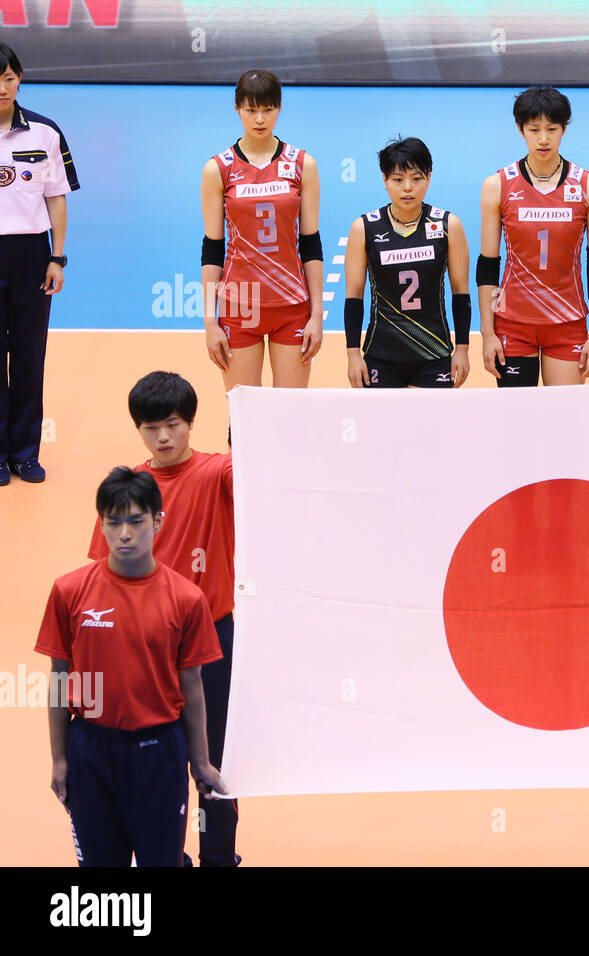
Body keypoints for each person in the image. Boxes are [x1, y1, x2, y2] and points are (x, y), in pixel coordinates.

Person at [85, 372, 239, 865]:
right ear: (139, 430)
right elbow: (101, 576)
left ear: (190, 423)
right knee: (159, 756)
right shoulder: (128, 492)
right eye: (151, 428)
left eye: (172, 424)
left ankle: (219, 856)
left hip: (211, 636)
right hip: (143, 645)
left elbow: (264, 473)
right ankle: (166, 857)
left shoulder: (219, 473)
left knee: (214, 756)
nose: (164, 437)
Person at [38, 467, 226, 866]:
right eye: (113, 522)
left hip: (159, 750)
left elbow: (191, 686)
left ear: (157, 521)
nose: (124, 533)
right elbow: (58, 679)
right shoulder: (69, 592)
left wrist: (201, 761)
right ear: (101, 524)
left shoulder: (187, 600)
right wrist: (59, 758)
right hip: (89, 748)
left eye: (136, 521)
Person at [477, 87, 589, 387]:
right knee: (516, 423)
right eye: (534, 129)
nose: (544, 139)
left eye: (552, 129)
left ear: (564, 129)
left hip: (567, 322)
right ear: (520, 129)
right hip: (513, 322)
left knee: (564, 422)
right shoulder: (497, 185)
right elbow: (488, 266)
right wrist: (488, 333)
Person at [200, 69, 323, 389]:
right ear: (237, 109)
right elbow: (212, 247)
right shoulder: (219, 168)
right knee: (244, 418)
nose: (259, 119)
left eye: (267, 109)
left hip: (292, 306)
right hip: (239, 306)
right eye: (251, 110)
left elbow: (311, 243)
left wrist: (316, 314)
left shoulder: (302, 164)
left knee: (290, 414)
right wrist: (210, 321)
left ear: (279, 108)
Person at [0, 41, 77, 485]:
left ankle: (25, 453)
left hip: (32, 255)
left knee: (29, 356)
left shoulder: (45, 133)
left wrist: (56, 256)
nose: (3, 87)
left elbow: (56, 199)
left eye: (10, 78)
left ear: (20, 79)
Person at [344, 137, 471, 388]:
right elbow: (353, 297)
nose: (407, 188)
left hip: (434, 354)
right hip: (381, 355)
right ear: (384, 180)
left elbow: (461, 293)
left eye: (416, 178)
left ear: (429, 178)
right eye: (398, 179)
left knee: (431, 427)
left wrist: (463, 350)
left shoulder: (448, 225)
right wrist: (353, 355)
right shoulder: (365, 228)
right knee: (384, 428)